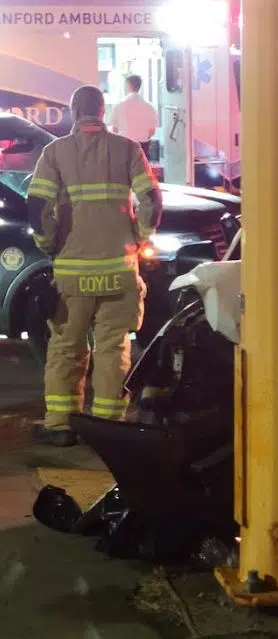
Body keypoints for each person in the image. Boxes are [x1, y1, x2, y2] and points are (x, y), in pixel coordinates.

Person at [27, 85, 163, 447]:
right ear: (103, 112)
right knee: (113, 348)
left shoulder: (54, 153)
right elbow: (151, 199)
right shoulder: (128, 149)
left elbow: (38, 207)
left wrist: (49, 244)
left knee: (65, 349)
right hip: (119, 270)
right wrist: (139, 237)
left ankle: (60, 425)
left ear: (74, 112)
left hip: (72, 273)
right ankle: (108, 427)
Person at [110, 74, 159, 159]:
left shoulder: (119, 105)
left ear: (128, 85)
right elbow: (152, 131)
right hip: (143, 146)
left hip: (124, 144)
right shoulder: (149, 106)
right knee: (141, 170)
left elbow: (115, 129)